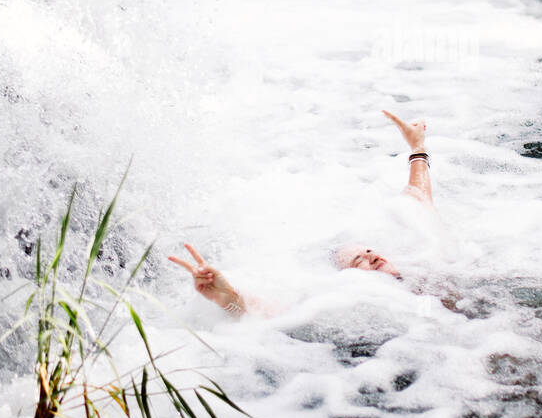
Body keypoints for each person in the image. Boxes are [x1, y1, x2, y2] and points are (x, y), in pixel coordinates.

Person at [169, 110, 434, 317]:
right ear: (350, 281)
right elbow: (264, 315)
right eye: (358, 261)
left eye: (367, 251)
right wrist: (227, 300)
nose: (371, 256)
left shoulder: (423, 266)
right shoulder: (347, 306)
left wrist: (417, 149)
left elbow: (418, 204)